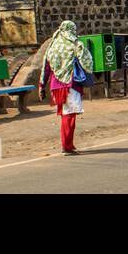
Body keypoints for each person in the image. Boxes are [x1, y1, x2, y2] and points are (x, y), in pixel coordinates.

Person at [38, 20, 94, 154]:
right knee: (69, 116)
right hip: (70, 85)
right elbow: (87, 60)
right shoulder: (75, 44)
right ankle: (66, 146)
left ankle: (69, 144)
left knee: (67, 114)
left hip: (56, 86)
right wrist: (89, 73)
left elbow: (46, 67)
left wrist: (41, 86)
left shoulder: (53, 45)